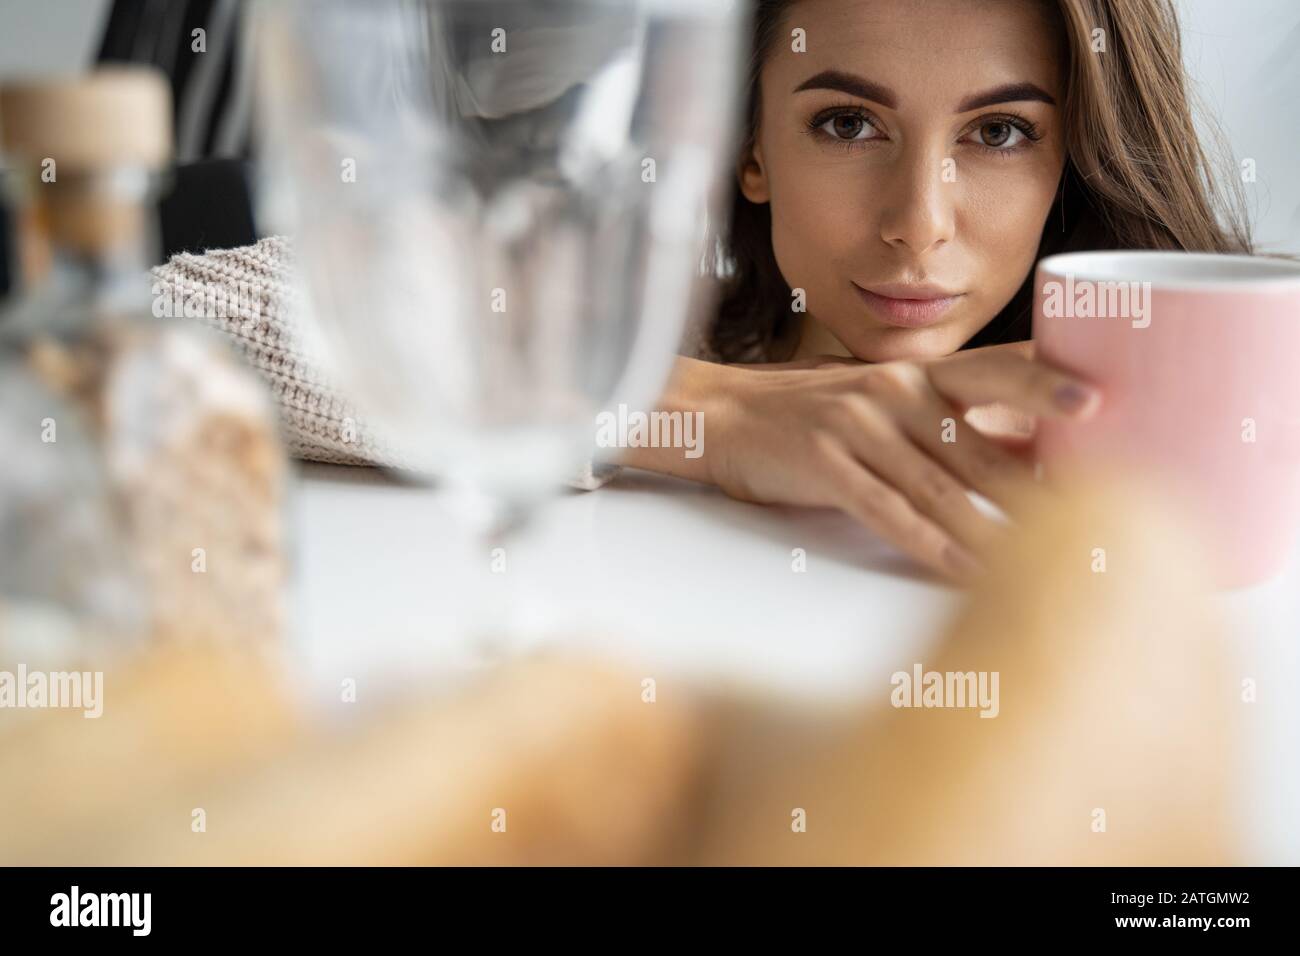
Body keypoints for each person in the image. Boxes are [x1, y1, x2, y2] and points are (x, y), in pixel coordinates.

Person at [149, 0, 1253, 579]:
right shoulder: (664, 289)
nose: (918, 218)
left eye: (1001, 131)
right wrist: (714, 415)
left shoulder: (1200, 379)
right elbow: (162, 317)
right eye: (846, 122)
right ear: (751, 147)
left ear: (1071, 160)